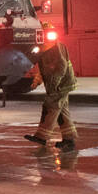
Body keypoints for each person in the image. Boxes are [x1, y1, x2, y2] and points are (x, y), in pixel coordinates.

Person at [25, 23, 77, 152]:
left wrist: (54, 85)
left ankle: (41, 137)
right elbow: (45, 70)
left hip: (61, 85)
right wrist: (37, 81)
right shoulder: (46, 49)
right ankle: (69, 140)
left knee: (51, 107)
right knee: (62, 112)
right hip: (63, 84)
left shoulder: (55, 48)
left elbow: (61, 68)